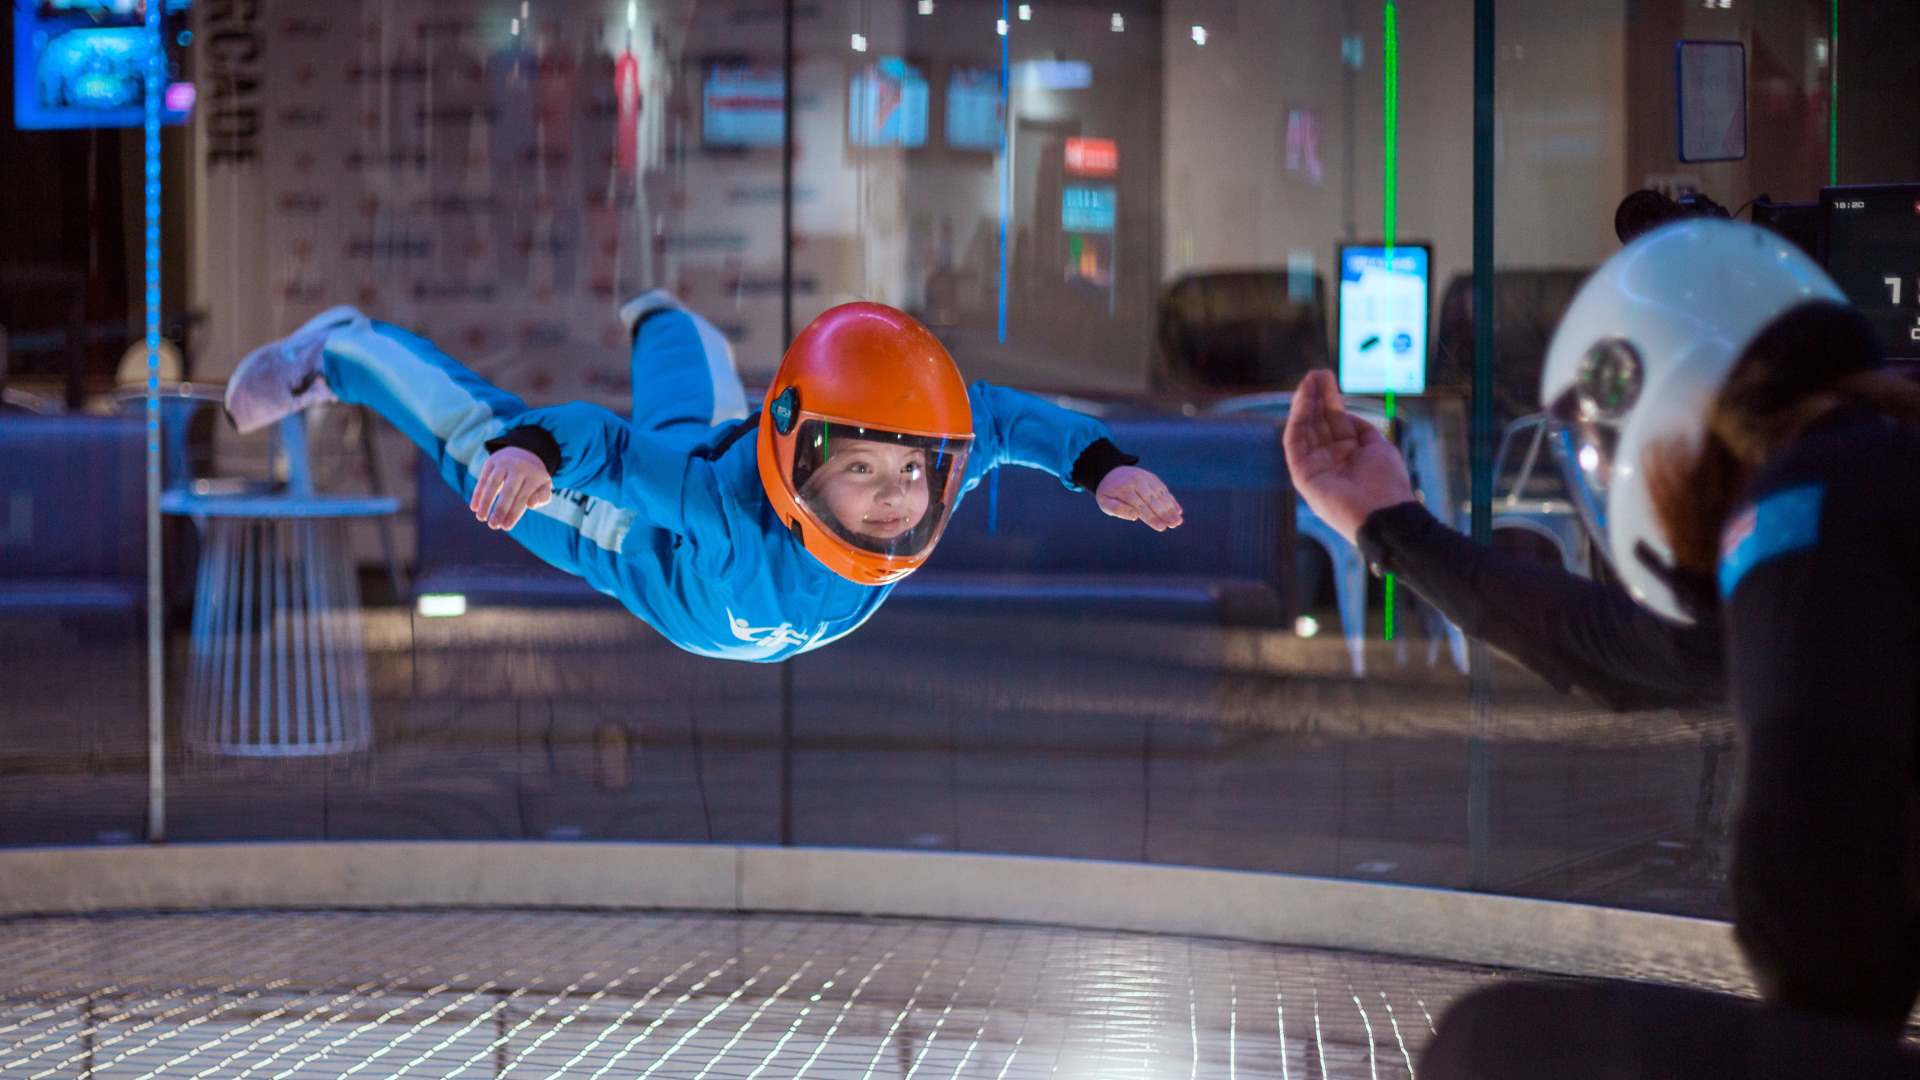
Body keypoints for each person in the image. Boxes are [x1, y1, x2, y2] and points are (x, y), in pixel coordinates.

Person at [1295, 219, 1920, 1073]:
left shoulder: (1809, 500)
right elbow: (1609, 645)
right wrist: (1387, 525)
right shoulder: (1872, 484)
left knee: (1504, 1047)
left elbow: (1823, 932)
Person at [224, 294, 1184, 661]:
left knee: (686, 427)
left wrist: (1098, 465)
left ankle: (671, 324)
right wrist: (533, 458)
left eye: (909, 468)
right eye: (860, 468)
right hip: (642, 537)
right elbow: (600, 446)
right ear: (799, 460)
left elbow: (1004, 422)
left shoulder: (929, 480)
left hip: (722, 466)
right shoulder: (723, 517)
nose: (896, 494)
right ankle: (346, 350)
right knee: (478, 440)